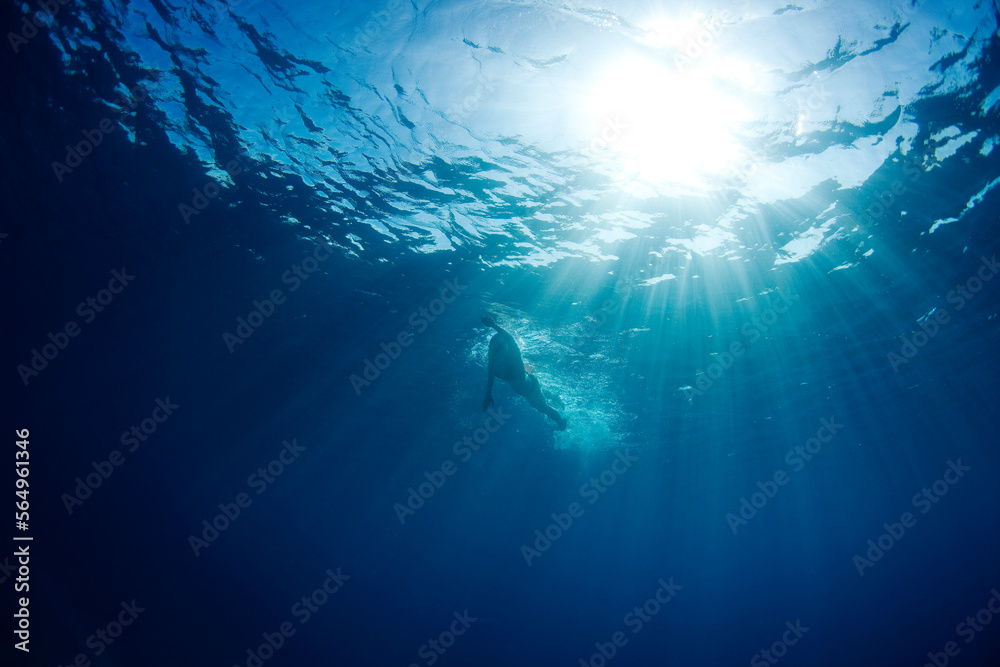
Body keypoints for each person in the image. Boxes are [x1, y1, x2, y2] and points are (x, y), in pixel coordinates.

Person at [481, 315, 567, 430]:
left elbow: (510, 339)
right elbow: (490, 374)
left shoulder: (513, 357)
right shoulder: (493, 359)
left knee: (544, 408)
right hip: (529, 383)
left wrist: (494, 325)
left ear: (504, 348)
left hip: (530, 391)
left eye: (496, 350)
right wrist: (488, 393)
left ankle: (561, 422)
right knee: (543, 393)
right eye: (492, 350)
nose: (494, 353)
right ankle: (559, 400)